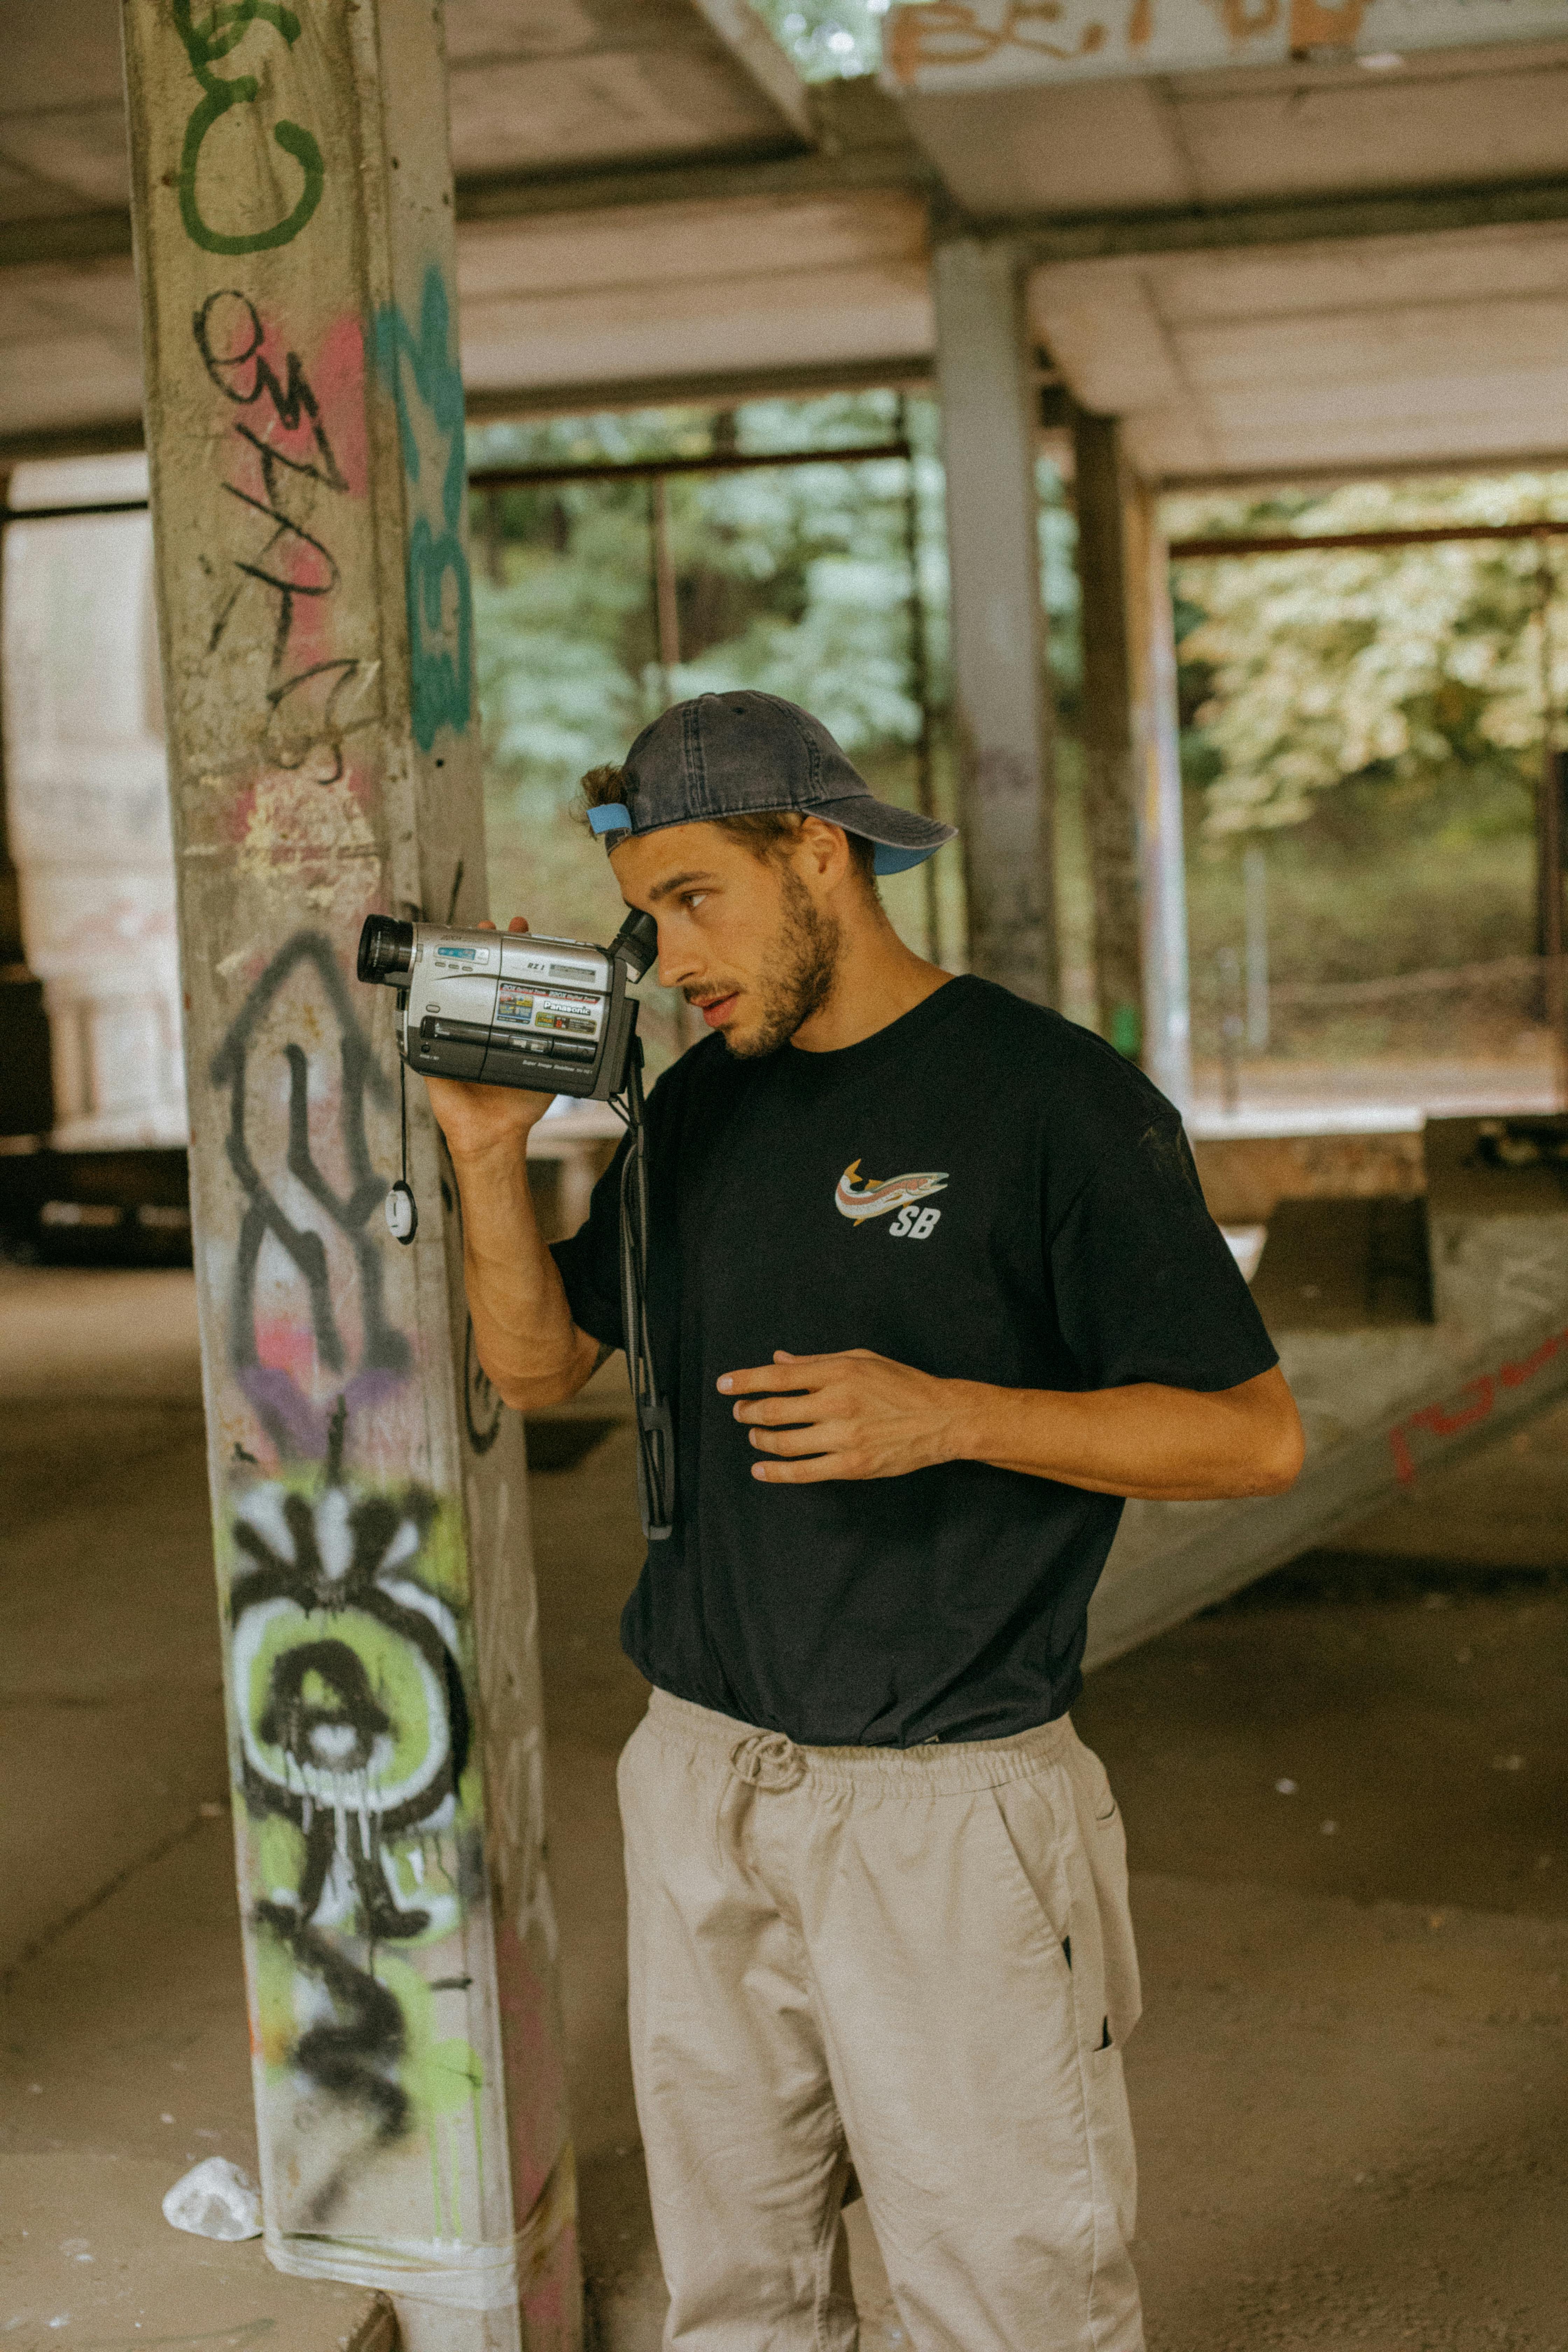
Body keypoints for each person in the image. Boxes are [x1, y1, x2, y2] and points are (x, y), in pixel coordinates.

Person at [425, 690, 1303, 2352]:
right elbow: (539, 1367)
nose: (669, 954)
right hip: (701, 1778)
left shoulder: (1051, 1101)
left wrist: (952, 1414)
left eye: (697, 900)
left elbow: (1253, 1439)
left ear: (816, 852)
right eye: (644, 916)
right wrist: (485, 1158)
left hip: (946, 1804)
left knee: (1005, 2299)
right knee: (739, 2295)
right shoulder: (692, 1113)